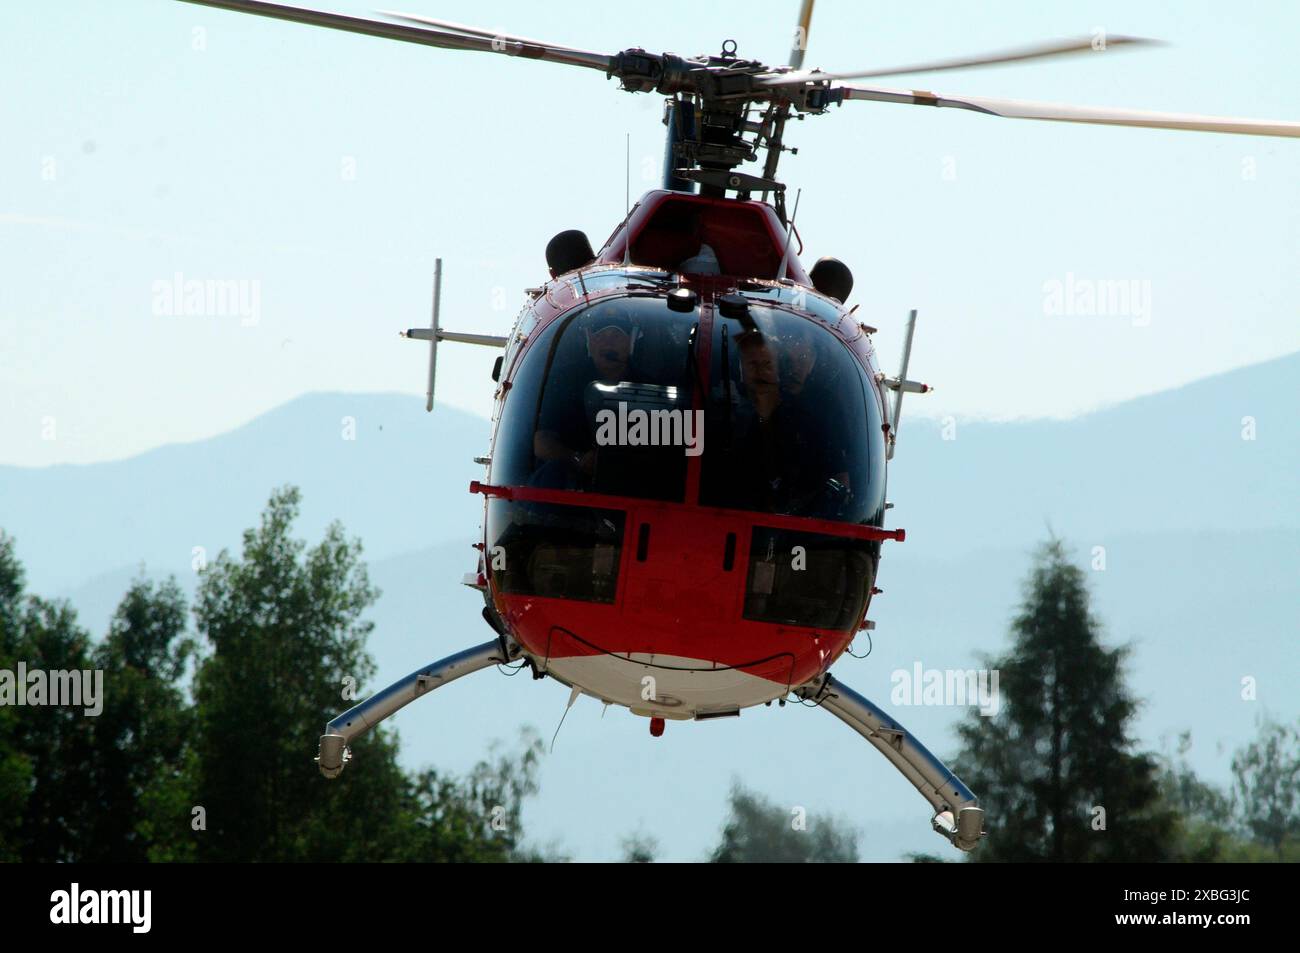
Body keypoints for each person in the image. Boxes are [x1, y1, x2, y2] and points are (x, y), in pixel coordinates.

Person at [531, 311, 636, 487]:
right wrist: (578, 459)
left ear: (630, 341)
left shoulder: (649, 385)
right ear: (590, 341)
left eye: (617, 335)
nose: (608, 343)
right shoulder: (564, 381)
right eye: (600, 335)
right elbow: (541, 443)